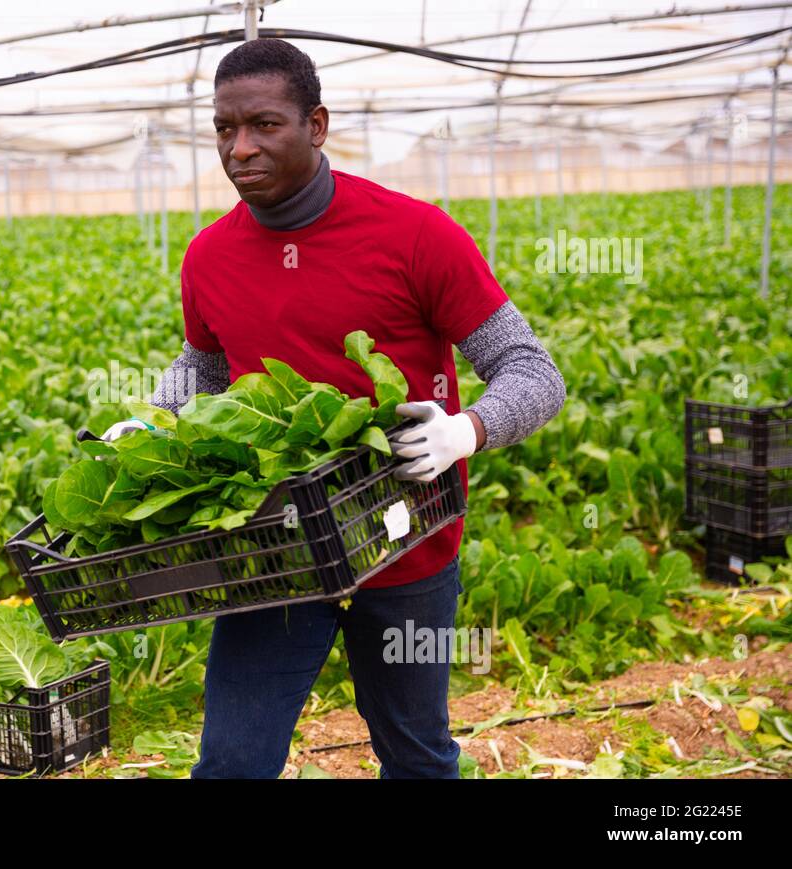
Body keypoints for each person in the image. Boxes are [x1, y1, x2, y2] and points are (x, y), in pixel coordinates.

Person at [103, 39, 566, 778]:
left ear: (316, 125)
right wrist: (153, 419)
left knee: (415, 756)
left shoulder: (416, 235)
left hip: (408, 538)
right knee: (231, 762)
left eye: (264, 125)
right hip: (274, 551)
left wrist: (466, 429)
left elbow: (531, 369)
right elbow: (207, 367)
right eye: (224, 129)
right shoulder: (209, 257)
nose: (240, 148)